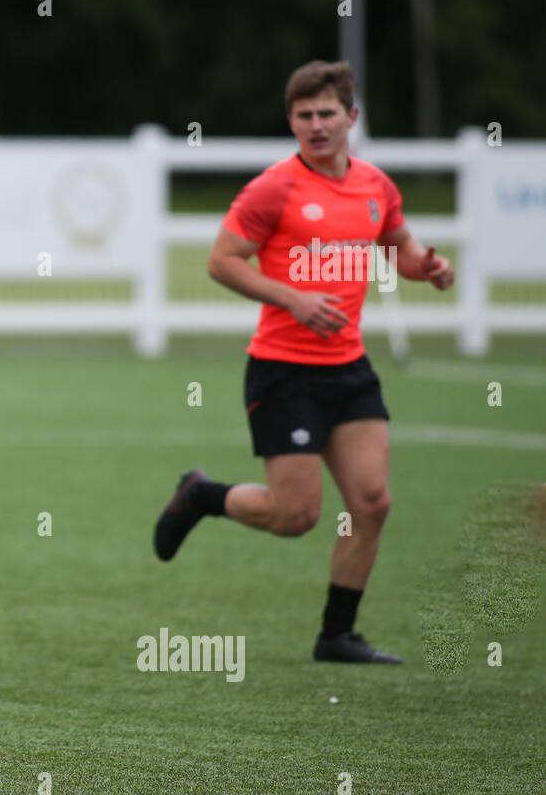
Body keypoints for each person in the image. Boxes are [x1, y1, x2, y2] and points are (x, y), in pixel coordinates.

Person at [152, 59, 454, 664]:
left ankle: (336, 635)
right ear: (291, 120)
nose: (315, 126)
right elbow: (222, 260)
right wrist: (293, 297)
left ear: (351, 118)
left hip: (350, 369)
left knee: (373, 503)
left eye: (326, 114)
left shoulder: (375, 185)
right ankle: (203, 495)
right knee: (295, 516)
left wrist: (429, 267)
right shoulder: (274, 188)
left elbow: (398, 245)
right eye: (303, 115)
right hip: (284, 371)